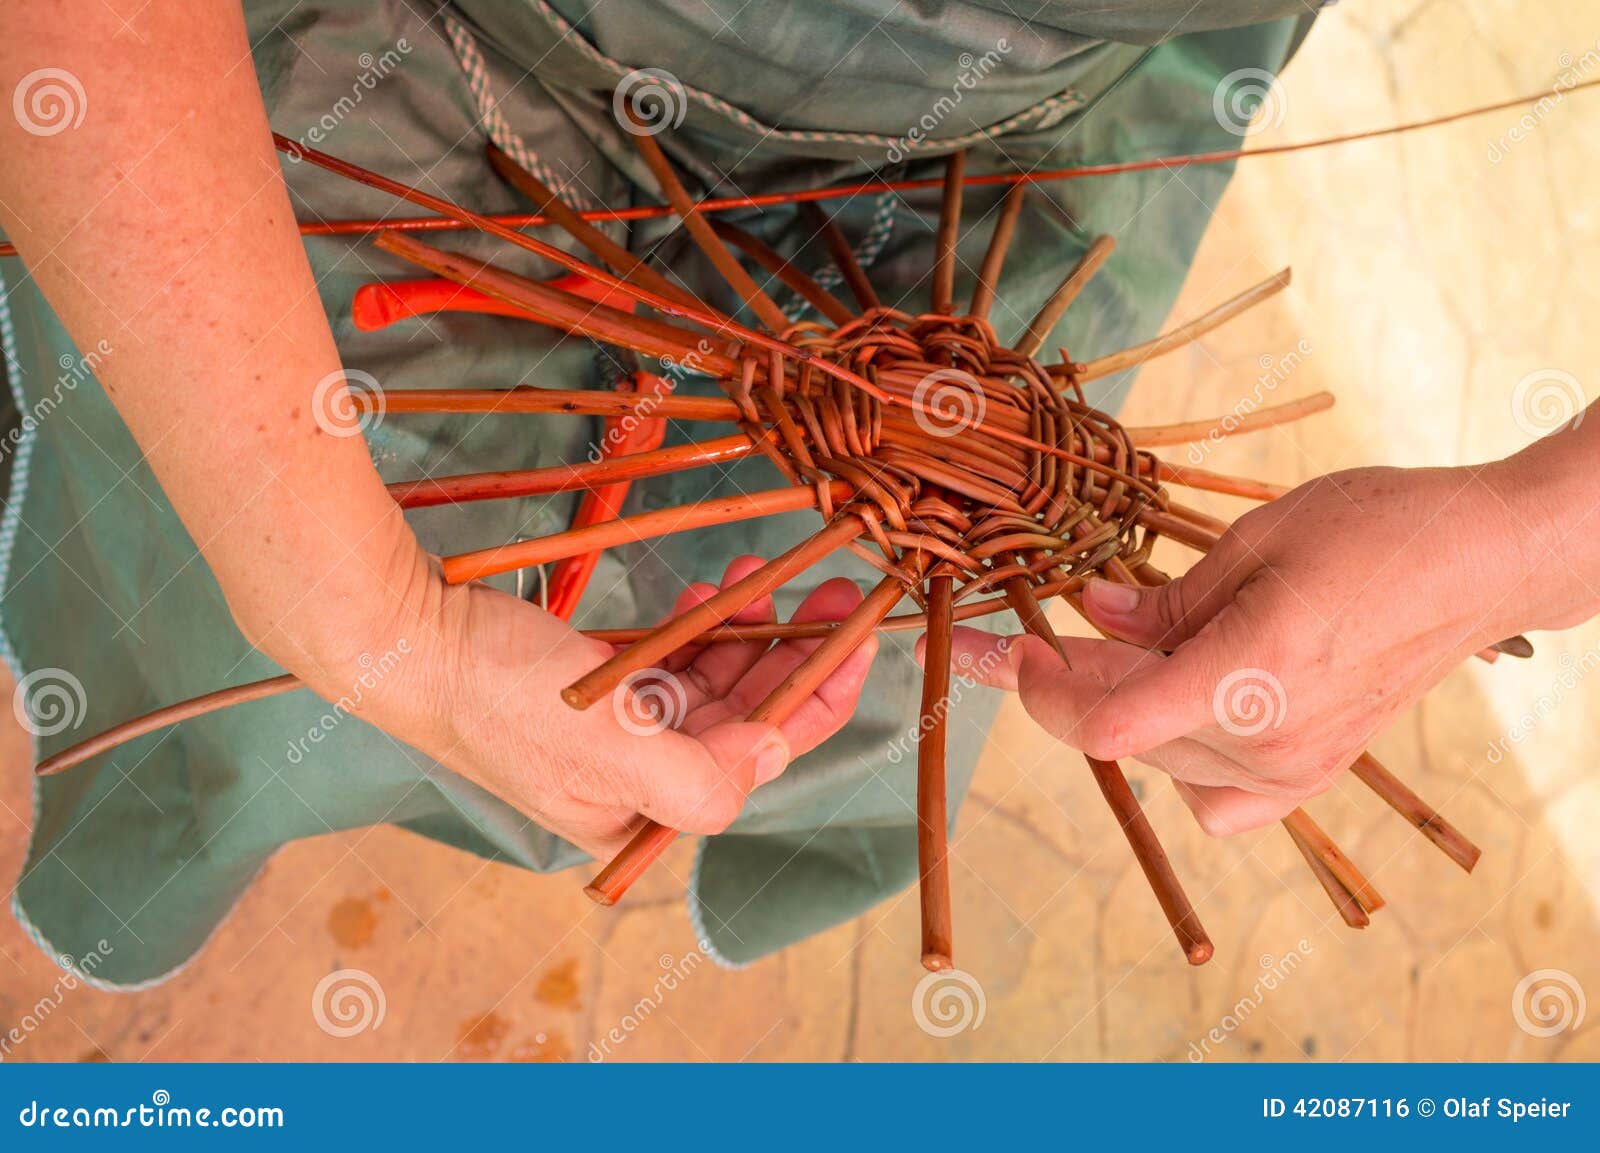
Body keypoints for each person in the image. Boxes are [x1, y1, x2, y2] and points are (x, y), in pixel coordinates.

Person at [1, 0, 1376, 987]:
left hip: (1005, 162)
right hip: (446, 51)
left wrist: (1518, 534)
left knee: (807, 693)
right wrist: (379, 629)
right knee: (268, 583)